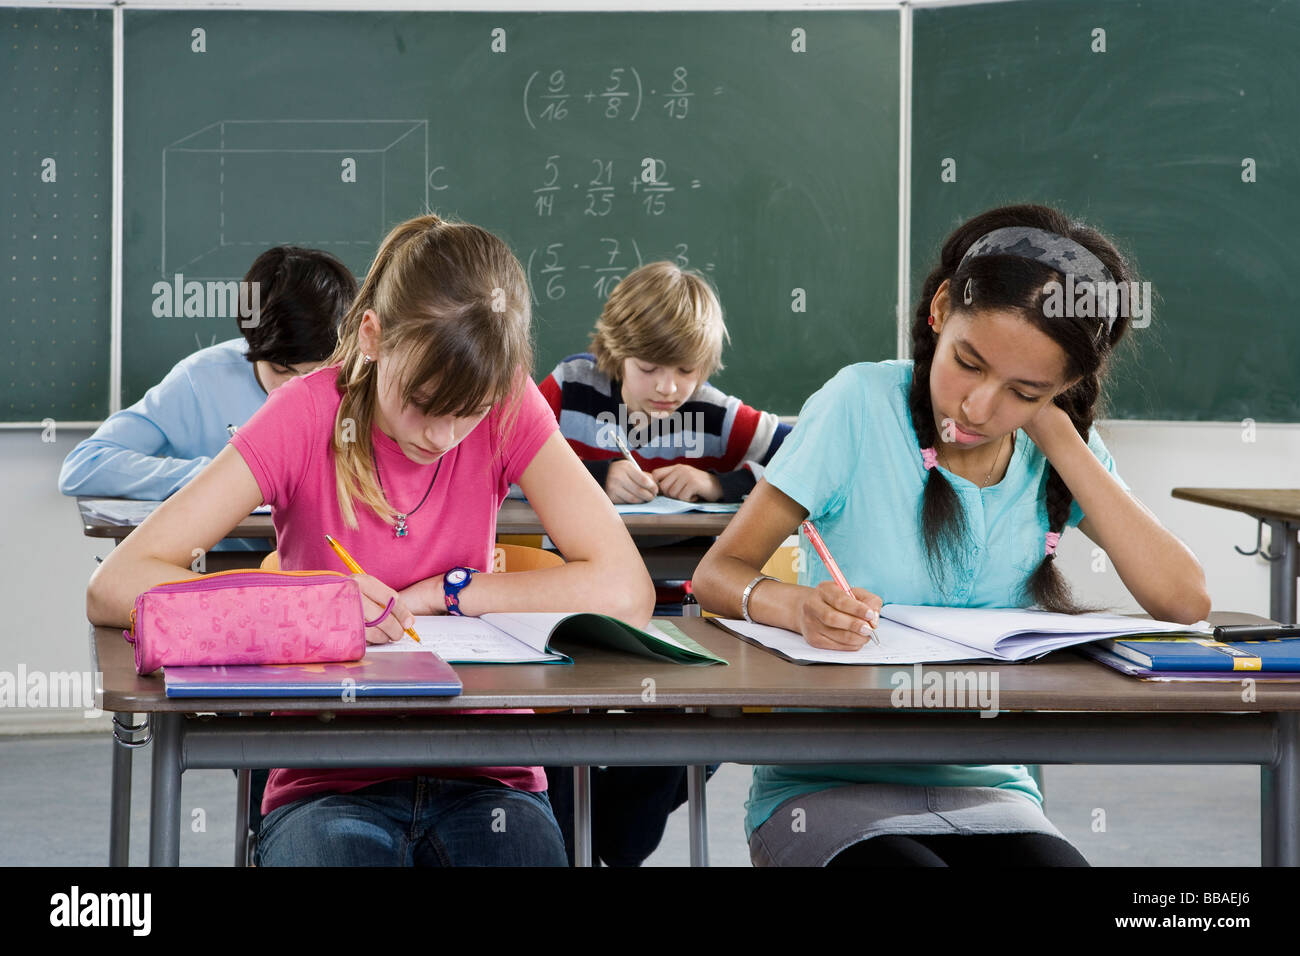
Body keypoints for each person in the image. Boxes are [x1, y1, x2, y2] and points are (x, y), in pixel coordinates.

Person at [86, 214, 656, 866]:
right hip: (326, 779)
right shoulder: (305, 412)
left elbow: (626, 591)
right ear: (372, 335)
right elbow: (115, 587)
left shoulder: (507, 403)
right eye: (423, 402)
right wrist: (311, 603)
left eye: (467, 413)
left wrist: (452, 590)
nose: (443, 437)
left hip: (488, 775)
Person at [692, 203, 1212, 867]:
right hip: (826, 786)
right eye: (968, 362)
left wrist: (1058, 434)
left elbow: (1184, 599)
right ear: (940, 309)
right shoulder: (859, 404)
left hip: (988, 787)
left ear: (1064, 388)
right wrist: (795, 607)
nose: (978, 407)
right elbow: (718, 573)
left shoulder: (1052, 444)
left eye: (1024, 390)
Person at [59, 246, 357, 519]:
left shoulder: (360, 381)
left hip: (327, 571)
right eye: (282, 370)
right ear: (252, 344)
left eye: (313, 373)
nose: (296, 388)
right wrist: (219, 476)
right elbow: (85, 466)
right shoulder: (200, 380)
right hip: (219, 567)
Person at [539, 260, 789, 505]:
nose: (667, 388)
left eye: (686, 370)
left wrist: (719, 485)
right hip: (574, 548)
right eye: (648, 368)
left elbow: (812, 458)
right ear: (618, 352)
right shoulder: (569, 386)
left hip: (694, 549)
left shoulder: (716, 414)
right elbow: (504, 464)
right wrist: (597, 477)